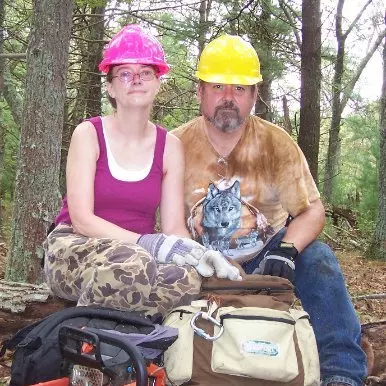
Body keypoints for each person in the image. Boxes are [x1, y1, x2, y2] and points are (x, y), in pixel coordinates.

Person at [172, 34, 367, 386]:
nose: (228, 98)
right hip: (198, 261)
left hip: (266, 257)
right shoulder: (175, 145)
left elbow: (312, 211)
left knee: (319, 259)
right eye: (218, 86)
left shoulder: (276, 144)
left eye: (240, 89)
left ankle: (341, 371)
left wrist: (288, 248)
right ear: (199, 92)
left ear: (254, 96)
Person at [43, 25, 240, 321]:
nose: (135, 80)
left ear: (158, 82)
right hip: (74, 248)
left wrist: (197, 254)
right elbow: (82, 219)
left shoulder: (170, 146)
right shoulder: (89, 134)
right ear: (110, 86)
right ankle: (80, 343)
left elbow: (173, 226)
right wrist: (146, 243)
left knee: (186, 279)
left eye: (145, 72)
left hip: (139, 260)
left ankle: (125, 342)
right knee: (133, 265)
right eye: (124, 73)